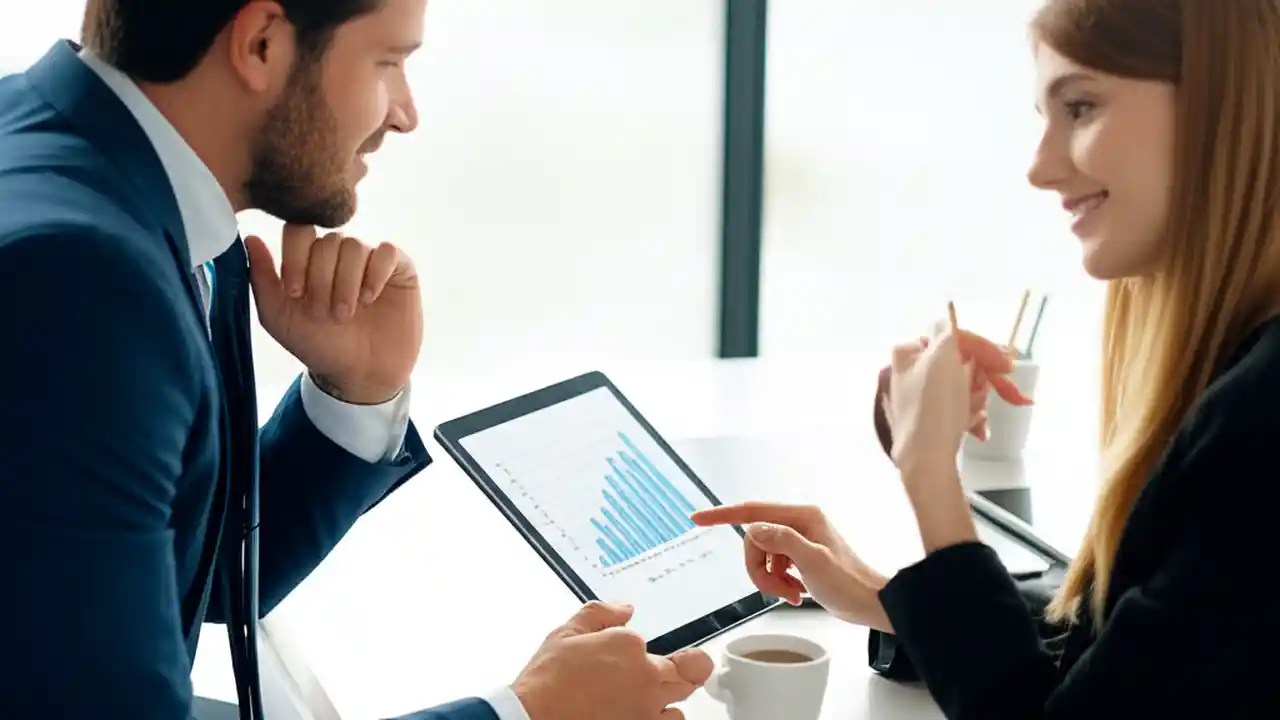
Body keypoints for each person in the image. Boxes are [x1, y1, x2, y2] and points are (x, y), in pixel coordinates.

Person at [0, 1, 709, 718]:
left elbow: (186, 577)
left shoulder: (95, 171)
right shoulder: (76, 280)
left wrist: (355, 392)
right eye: (389, 63)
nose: (405, 114)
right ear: (263, 44)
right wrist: (528, 713)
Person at [694, 0, 1280, 717]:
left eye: (1082, 107)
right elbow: (1142, 654)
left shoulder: (1263, 417)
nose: (1038, 168)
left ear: (1226, 105)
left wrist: (930, 480)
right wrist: (888, 597)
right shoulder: (1245, 372)